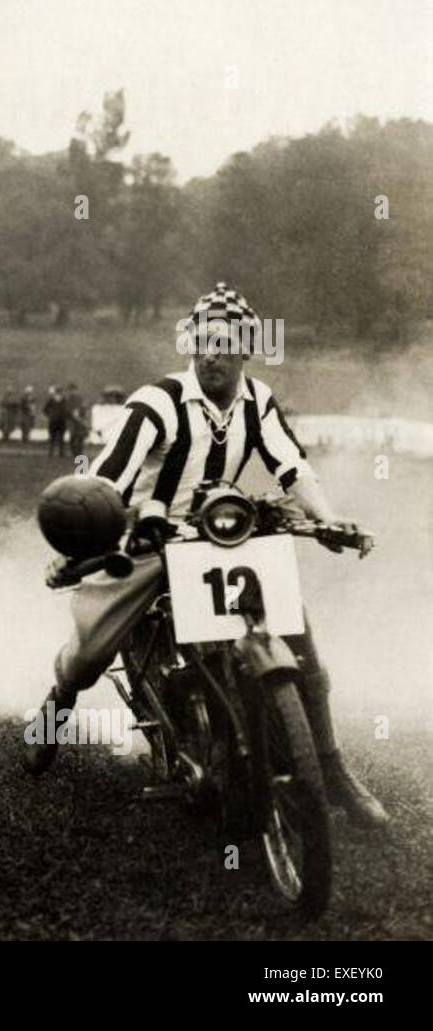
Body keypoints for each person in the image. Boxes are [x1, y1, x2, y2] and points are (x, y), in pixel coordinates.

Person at [24, 283, 388, 829]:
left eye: (225, 343)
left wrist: (327, 518)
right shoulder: (156, 403)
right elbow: (105, 482)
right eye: (202, 341)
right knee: (92, 648)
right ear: (190, 345)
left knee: (301, 640)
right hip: (151, 535)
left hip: (224, 533)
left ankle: (331, 767)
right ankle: (59, 704)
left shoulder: (258, 402)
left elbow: (293, 469)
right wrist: (87, 543)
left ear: (247, 348)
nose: (212, 354)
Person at [66, 381, 88, 458]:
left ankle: (80, 451)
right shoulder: (68, 399)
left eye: (74, 390)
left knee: (81, 436)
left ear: (76, 390)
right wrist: (73, 414)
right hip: (71, 421)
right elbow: (67, 409)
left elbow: (84, 408)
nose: (72, 391)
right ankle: (74, 452)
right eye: (71, 390)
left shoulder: (80, 399)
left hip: (80, 420)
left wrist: (81, 416)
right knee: (73, 436)